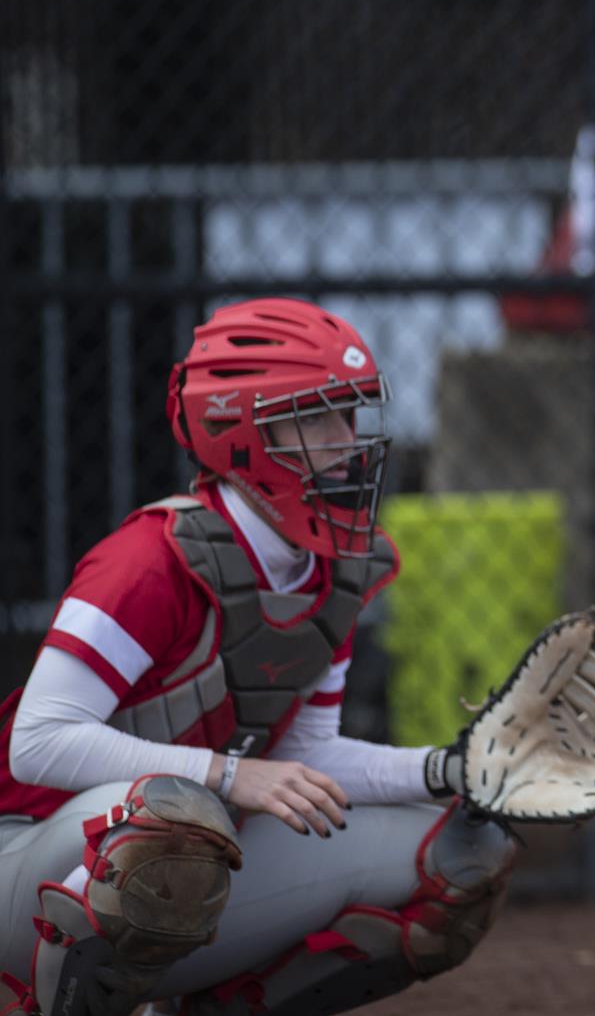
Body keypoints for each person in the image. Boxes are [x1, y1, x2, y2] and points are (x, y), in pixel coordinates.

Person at [0, 298, 514, 1015]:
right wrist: (229, 775)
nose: (349, 440)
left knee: (460, 854)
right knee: (176, 826)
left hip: (160, 853)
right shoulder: (147, 562)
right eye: (317, 415)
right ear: (236, 431)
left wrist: (451, 769)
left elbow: (310, 761)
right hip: (26, 862)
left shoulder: (331, 567)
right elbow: (37, 742)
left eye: (352, 412)